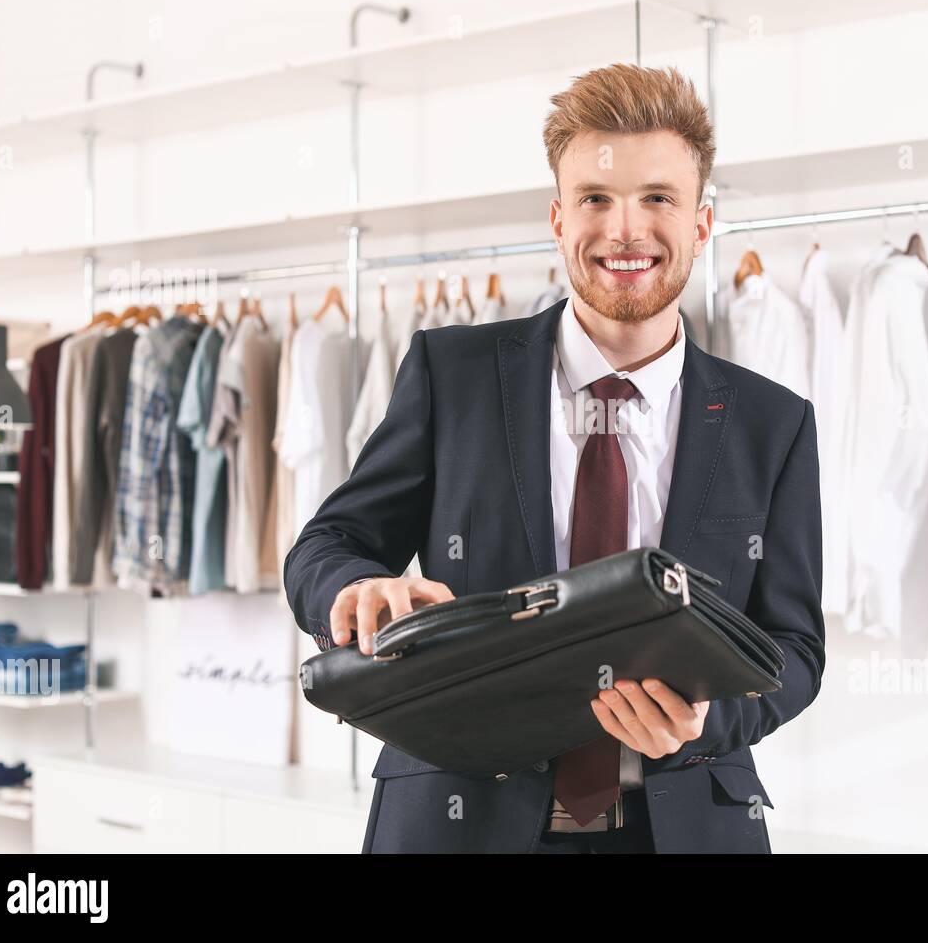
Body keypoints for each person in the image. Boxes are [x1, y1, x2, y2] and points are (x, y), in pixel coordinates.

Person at [283, 63, 825, 854]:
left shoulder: (773, 424)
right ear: (559, 219)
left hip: (680, 825)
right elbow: (324, 549)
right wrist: (358, 587)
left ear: (702, 225)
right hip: (458, 818)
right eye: (596, 199)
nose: (626, 230)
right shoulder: (452, 375)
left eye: (658, 199)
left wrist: (713, 716)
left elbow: (796, 648)